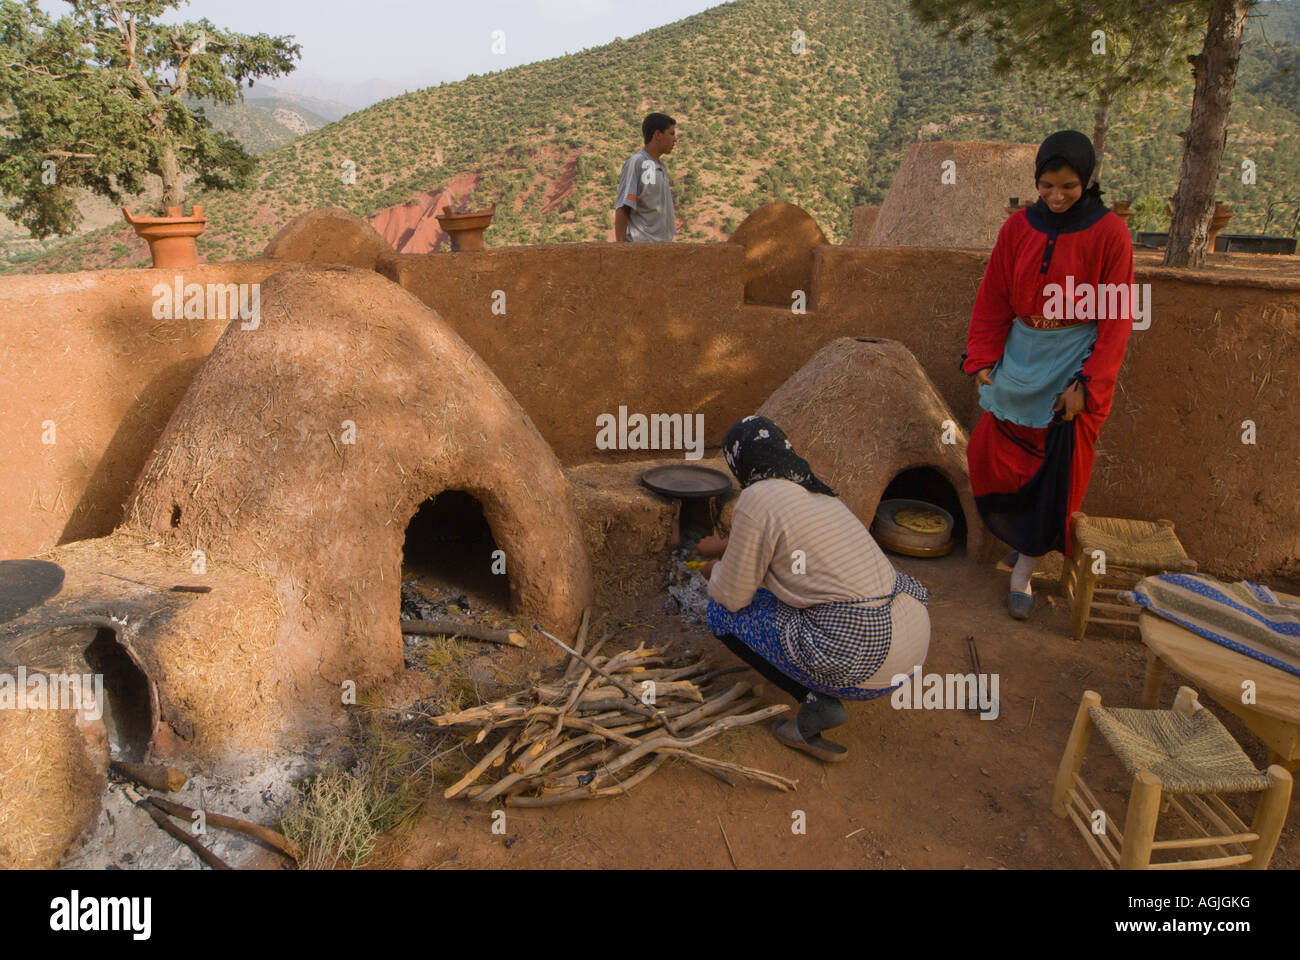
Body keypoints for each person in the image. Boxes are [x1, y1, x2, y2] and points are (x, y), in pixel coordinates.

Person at [962, 130, 1135, 620]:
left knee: (1054, 466)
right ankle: (1018, 538)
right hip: (1020, 352)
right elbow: (994, 294)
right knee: (992, 450)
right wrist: (980, 359)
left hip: (1073, 358)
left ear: (1087, 182)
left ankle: (1025, 571)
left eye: (1068, 187)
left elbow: (1117, 317)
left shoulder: (1110, 233)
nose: (1056, 197)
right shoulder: (1018, 227)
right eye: (1046, 186)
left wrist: (1089, 383)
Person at [696, 416, 931, 762]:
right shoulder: (817, 492)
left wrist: (712, 569)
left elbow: (733, 596)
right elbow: (773, 543)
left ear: (739, 464)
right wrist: (721, 549)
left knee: (720, 613)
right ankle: (820, 689)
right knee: (778, 596)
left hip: (864, 652)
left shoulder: (756, 497)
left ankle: (814, 703)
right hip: (910, 644)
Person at [613, 113, 677, 242]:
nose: (675, 139)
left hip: (662, 250)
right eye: (671, 134)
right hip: (640, 247)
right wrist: (620, 249)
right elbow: (623, 206)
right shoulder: (637, 162)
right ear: (658, 135)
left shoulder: (661, 166)